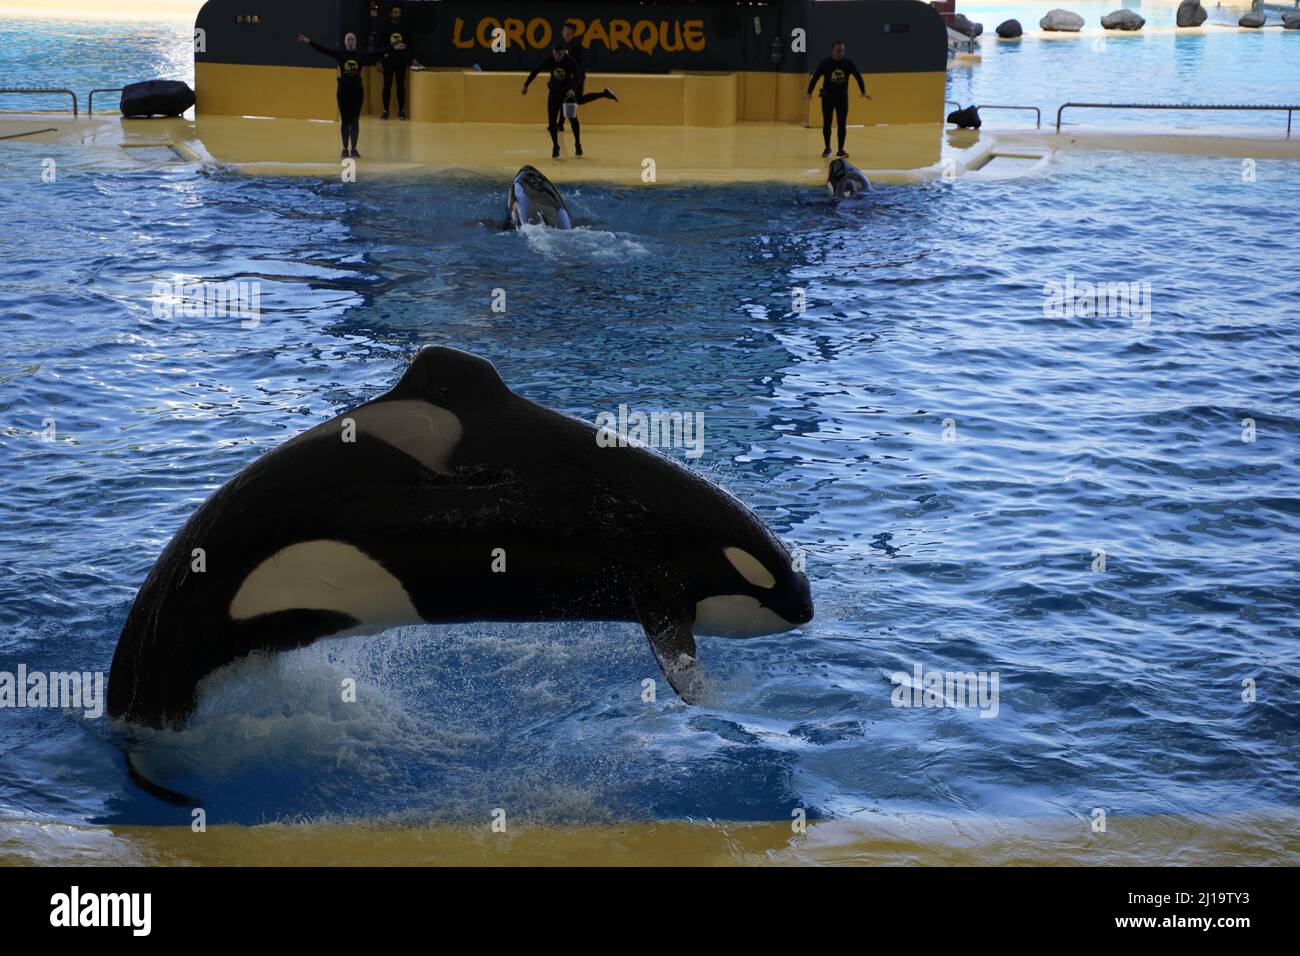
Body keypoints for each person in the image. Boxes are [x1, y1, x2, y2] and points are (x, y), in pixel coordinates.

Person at [297, 31, 388, 158]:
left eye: (352, 39)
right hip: (343, 92)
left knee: (355, 121)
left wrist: (394, 48)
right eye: (348, 39)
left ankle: (354, 148)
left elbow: (377, 52)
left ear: (355, 42)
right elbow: (323, 50)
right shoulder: (340, 55)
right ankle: (345, 149)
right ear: (345, 43)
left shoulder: (360, 55)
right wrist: (309, 41)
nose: (350, 41)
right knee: (345, 121)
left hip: (357, 92)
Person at [805, 40, 869, 159]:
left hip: (842, 98)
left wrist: (863, 91)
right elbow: (815, 78)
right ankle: (827, 148)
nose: (840, 53)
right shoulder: (826, 63)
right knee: (827, 123)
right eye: (838, 50)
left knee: (842, 124)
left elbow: (858, 76)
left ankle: (840, 150)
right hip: (827, 98)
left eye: (842, 51)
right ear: (832, 50)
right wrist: (809, 92)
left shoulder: (848, 63)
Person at [522, 45, 585, 159]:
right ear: (553, 52)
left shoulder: (570, 61)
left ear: (563, 52)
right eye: (555, 54)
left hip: (567, 94)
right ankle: (556, 146)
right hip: (554, 93)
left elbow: (578, 77)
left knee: (573, 119)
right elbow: (536, 70)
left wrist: (573, 89)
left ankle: (578, 144)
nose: (557, 57)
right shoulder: (550, 60)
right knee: (552, 122)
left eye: (559, 54)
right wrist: (526, 85)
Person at [555, 21, 618, 133]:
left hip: (576, 77)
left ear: (569, 32)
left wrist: (576, 79)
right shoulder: (566, 46)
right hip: (571, 77)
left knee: (566, 98)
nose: (562, 32)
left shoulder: (576, 46)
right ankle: (604, 93)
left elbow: (582, 62)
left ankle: (560, 125)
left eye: (564, 30)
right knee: (575, 99)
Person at [380, 4, 411, 120]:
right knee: (386, 86)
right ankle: (385, 110)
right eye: (395, 12)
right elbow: (380, 45)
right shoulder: (385, 27)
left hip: (401, 61)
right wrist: (379, 61)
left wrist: (405, 46)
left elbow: (410, 44)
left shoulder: (405, 27)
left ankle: (401, 110)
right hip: (388, 61)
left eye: (399, 13)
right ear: (391, 14)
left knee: (400, 86)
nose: (397, 14)